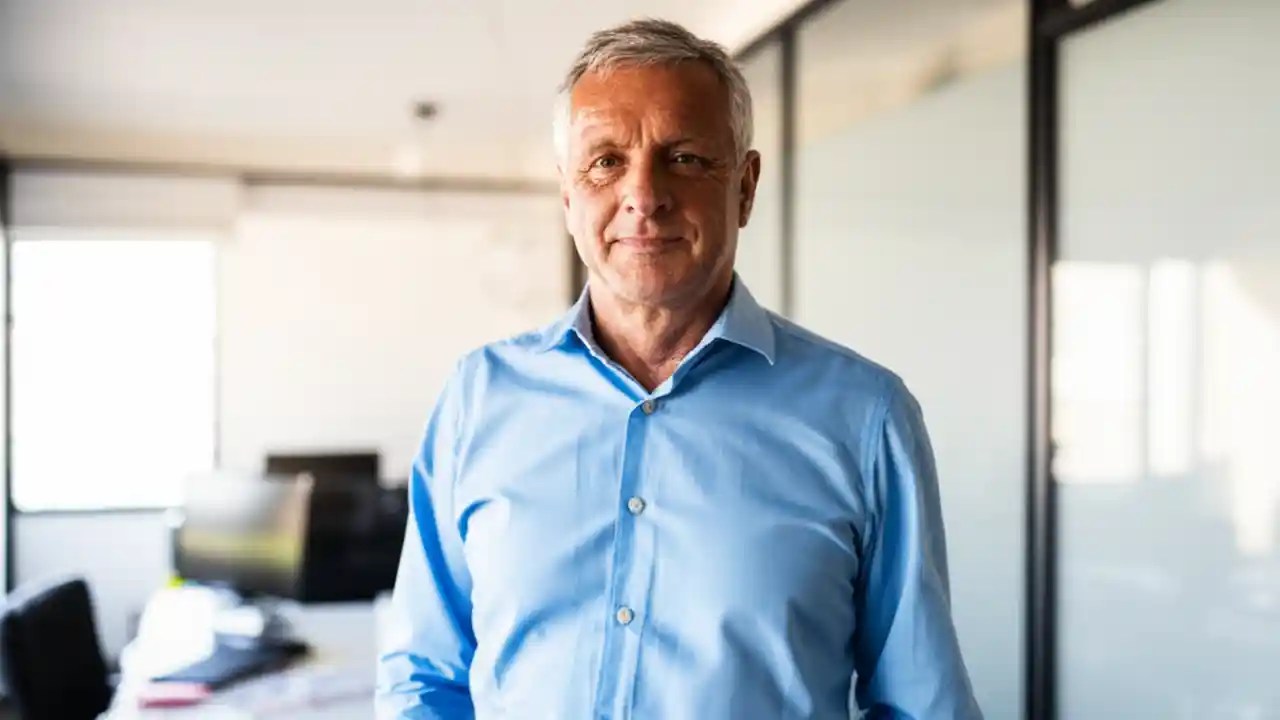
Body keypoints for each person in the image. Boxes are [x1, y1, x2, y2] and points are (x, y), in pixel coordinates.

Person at [377, 18, 981, 720]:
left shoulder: (866, 418)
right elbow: (424, 678)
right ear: (569, 197)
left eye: (686, 158)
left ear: (746, 187)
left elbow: (922, 706)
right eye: (604, 161)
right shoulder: (477, 399)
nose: (644, 195)